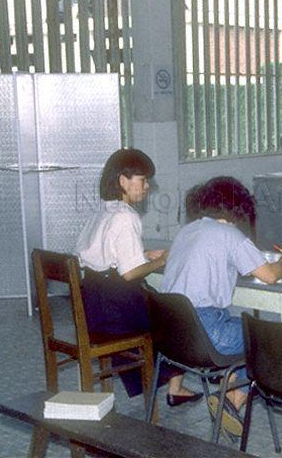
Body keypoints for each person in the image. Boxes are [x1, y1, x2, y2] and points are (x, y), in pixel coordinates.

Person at [160, 176, 282, 437]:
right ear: (240, 207)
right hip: (206, 334)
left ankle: (228, 390)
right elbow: (270, 276)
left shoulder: (188, 230)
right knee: (269, 340)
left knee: (243, 331)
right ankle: (232, 400)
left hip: (171, 337)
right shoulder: (231, 235)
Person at [75, 149, 197, 405]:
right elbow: (130, 272)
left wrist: (142, 254)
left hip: (93, 308)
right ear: (123, 180)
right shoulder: (126, 216)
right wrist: (161, 261)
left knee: (161, 309)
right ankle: (171, 386)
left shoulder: (102, 212)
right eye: (142, 180)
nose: (147, 187)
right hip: (115, 314)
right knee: (179, 317)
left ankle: (163, 382)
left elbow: (105, 256)